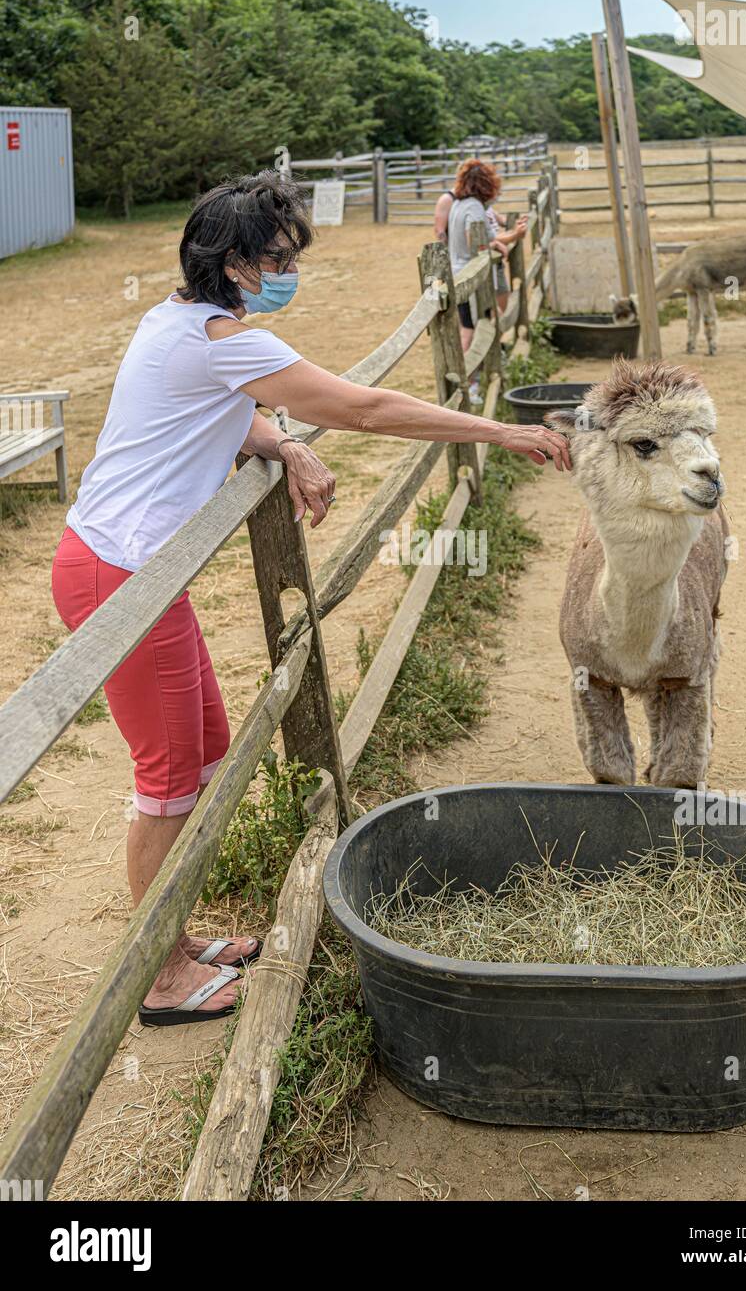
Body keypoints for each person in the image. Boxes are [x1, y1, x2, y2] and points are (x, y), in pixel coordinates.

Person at [51, 170, 570, 1027]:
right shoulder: (228, 343)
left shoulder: (180, 325)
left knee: (205, 750)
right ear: (237, 262)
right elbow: (363, 408)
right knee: (169, 776)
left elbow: (215, 412)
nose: (291, 270)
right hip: (122, 577)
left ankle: (172, 942)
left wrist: (282, 445)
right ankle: (158, 978)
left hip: (119, 565)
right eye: (279, 257)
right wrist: (501, 429)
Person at [447, 160, 528, 369]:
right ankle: (468, 382)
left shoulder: (458, 203)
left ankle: (472, 376)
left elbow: (480, 240)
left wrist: (494, 242)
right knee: (471, 330)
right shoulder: (474, 207)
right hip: (472, 277)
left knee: (470, 327)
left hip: (459, 273)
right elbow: (475, 241)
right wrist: (508, 238)